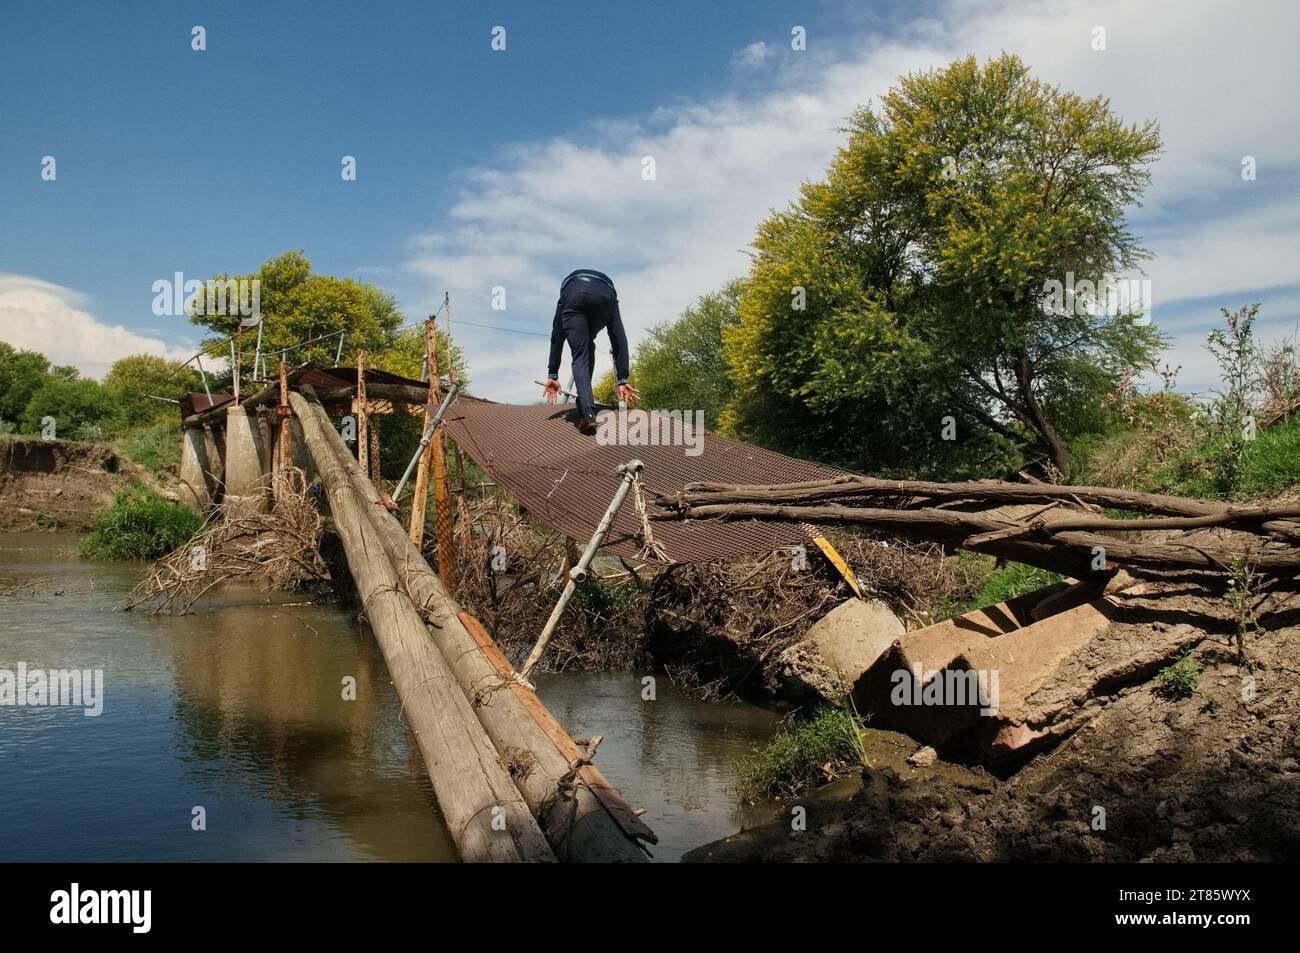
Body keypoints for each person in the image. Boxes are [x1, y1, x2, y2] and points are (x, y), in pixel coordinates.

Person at [542, 268, 640, 433]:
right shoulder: (609, 302)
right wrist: (622, 378)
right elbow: (618, 336)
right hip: (606, 292)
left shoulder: (566, 300)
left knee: (581, 353)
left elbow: (557, 335)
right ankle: (585, 404)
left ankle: (587, 413)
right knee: (587, 347)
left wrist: (553, 372)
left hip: (573, 290)